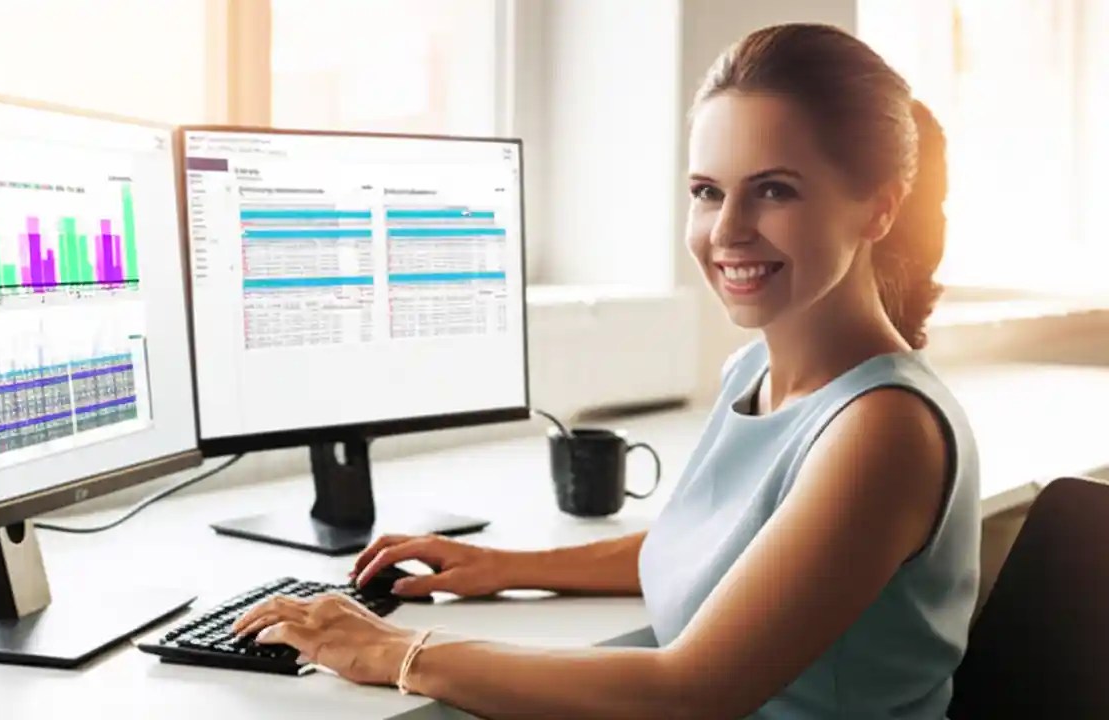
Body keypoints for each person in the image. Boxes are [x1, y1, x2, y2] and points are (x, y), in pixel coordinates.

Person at [232, 22, 980, 719]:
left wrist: (394, 651)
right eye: (708, 192)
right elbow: (721, 550)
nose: (727, 231)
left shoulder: (883, 430)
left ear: (878, 210)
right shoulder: (754, 370)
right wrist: (506, 566)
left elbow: (691, 691)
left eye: (774, 190)